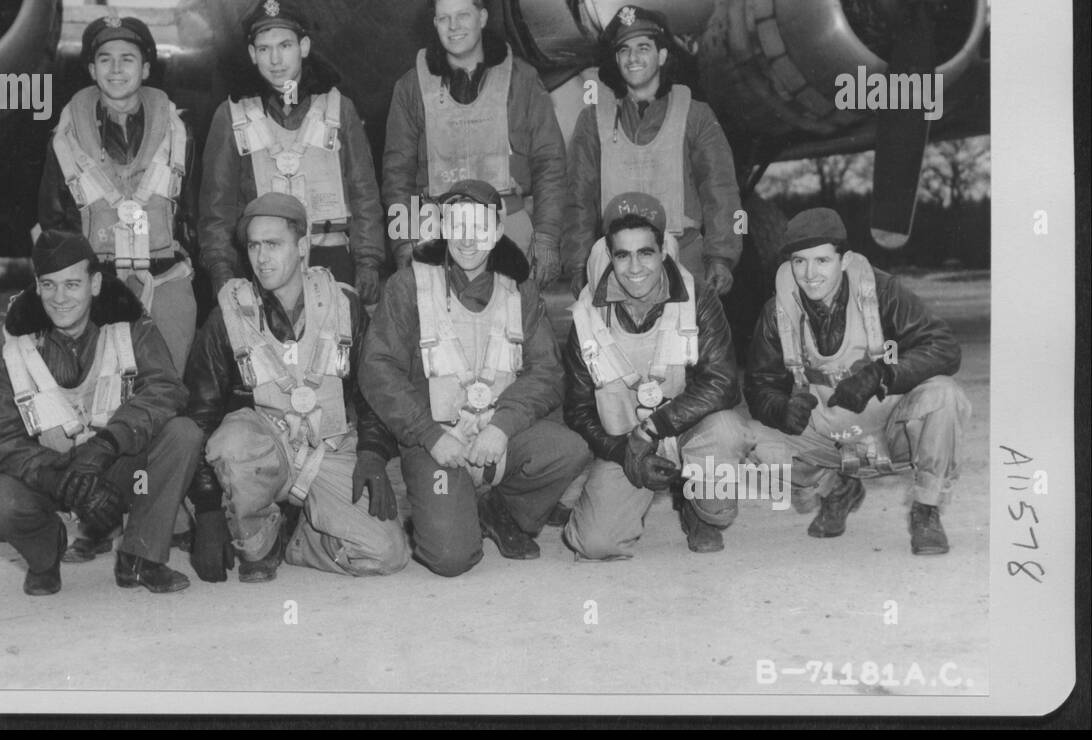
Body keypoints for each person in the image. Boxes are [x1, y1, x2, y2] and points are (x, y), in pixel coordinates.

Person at [359, 179, 591, 576]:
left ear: (498, 230)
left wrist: (503, 426)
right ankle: (451, 506)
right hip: (435, 441)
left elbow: (547, 372)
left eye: (480, 226)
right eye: (456, 225)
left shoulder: (521, 289)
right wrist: (428, 434)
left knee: (568, 451)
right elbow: (377, 368)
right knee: (451, 558)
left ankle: (501, 509)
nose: (467, 239)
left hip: (499, 436)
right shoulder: (407, 286)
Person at [182, 193, 408, 583]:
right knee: (231, 443)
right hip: (265, 448)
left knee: (388, 553)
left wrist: (373, 453)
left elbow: (373, 394)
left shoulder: (344, 306)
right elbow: (198, 416)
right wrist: (207, 511)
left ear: (303, 247)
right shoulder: (227, 319)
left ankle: (301, 539)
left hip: (329, 446)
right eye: (253, 246)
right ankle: (259, 538)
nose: (261, 258)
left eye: (274, 244)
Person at [0, 231, 200, 595]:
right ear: (37, 286)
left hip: (115, 465)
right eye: (49, 285)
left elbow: (166, 389)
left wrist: (108, 443)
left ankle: (140, 557)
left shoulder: (130, 324)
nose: (60, 298)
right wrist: (58, 480)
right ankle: (46, 555)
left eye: (72, 284)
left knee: (182, 435)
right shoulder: (4, 343)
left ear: (94, 284)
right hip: (46, 473)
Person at [744, 208, 971, 554]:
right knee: (749, 439)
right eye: (799, 262)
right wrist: (780, 408)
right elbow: (759, 385)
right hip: (827, 434)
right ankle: (835, 489)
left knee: (945, 395)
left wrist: (883, 374)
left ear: (845, 259)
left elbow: (944, 347)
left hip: (892, 426)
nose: (810, 274)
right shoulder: (777, 312)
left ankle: (926, 509)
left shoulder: (883, 291)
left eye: (822, 260)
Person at [561, 193, 754, 557]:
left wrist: (652, 429)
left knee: (728, 431)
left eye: (645, 252)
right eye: (623, 255)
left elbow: (722, 383)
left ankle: (700, 510)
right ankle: (619, 495)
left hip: (689, 432)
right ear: (610, 255)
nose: (635, 267)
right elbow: (578, 409)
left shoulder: (699, 299)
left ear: (663, 250)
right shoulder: (585, 317)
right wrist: (624, 455)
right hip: (626, 444)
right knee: (594, 545)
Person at [380, 0, 567, 287]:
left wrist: (547, 236)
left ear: (482, 18)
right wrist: (403, 241)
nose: (453, 27)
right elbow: (397, 173)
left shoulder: (522, 81)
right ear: (435, 24)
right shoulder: (411, 88)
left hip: (509, 227)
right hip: (436, 230)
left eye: (463, 15)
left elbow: (550, 163)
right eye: (444, 18)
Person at [197, 0, 385, 305]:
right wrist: (222, 272)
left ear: (305, 47)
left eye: (285, 45)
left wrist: (368, 261)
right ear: (252, 55)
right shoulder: (231, 116)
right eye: (264, 49)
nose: (275, 59)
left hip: (333, 256)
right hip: (264, 264)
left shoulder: (339, 109)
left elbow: (365, 195)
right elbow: (217, 210)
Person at [38, 13, 198, 374]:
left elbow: (192, 215)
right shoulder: (65, 139)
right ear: (92, 70)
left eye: (127, 59)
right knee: (101, 394)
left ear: (144, 69)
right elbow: (54, 222)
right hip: (98, 285)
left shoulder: (180, 134)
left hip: (166, 282)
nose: (115, 69)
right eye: (105, 59)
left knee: (168, 389)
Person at [562, 5, 742, 299]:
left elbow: (721, 191)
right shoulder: (592, 121)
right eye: (624, 50)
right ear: (616, 59)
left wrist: (721, 257)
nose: (633, 58)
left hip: (684, 258)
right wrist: (580, 265)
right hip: (618, 263)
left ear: (661, 55)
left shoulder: (696, 115)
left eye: (643, 47)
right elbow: (578, 201)